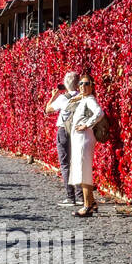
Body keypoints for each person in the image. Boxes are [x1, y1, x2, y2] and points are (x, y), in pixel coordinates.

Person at [69, 74, 103, 217]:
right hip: (79, 140)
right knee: (81, 170)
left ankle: (87, 206)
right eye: (81, 84)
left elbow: (100, 112)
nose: (83, 86)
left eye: (86, 83)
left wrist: (87, 125)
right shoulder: (83, 100)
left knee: (84, 171)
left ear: (92, 86)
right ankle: (92, 202)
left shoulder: (90, 100)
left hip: (84, 139)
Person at [44, 72, 80, 206]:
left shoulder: (62, 98)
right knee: (78, 162)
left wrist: (53, 96)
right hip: (78, 131)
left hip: (63, 131)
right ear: (78, 84)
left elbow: (47, 110)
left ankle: (71, 197)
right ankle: (81, 195)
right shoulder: (83, 97)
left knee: (65, 164)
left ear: (65, 84)